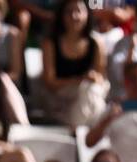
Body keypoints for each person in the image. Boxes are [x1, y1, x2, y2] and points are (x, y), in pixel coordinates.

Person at [40, 0, 108, 128]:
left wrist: (91, 78)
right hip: (58, 97)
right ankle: (88, 132)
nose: (74, 16)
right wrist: (79, 80)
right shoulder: (50, 43)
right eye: (69, 12)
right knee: (91, 94)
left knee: (92, 91)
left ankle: (76, 129)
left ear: (87, 14)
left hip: (87, 95)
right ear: (61, 15)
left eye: (79, 11)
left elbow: (100, 77)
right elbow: (50, 82)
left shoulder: (96, 43)